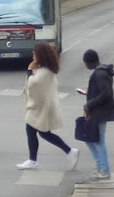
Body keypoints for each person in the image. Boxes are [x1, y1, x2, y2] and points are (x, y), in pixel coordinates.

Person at [19, 42, 79, 171]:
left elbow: (33, 85)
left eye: (35, 53)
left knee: (35, 131)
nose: (33, 55)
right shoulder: (46, 70)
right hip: (41, 107)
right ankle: (67, 151)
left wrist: (29, 70)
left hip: (39, 108)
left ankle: (34, 160)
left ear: (40, 55)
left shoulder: (44, 72)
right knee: (42, 132)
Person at [77, 48, 114, 181]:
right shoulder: (101, 72)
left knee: (98, 141)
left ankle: (104, 170)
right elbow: (102, 91)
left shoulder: (99, 74)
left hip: (100, 112)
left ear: (89, 62)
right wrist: (89, 93)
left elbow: (106, 93)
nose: (86, 66)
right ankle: (100, 167)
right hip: (98, 111)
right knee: (90, 139)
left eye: (86, 63)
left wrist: (90, 103)